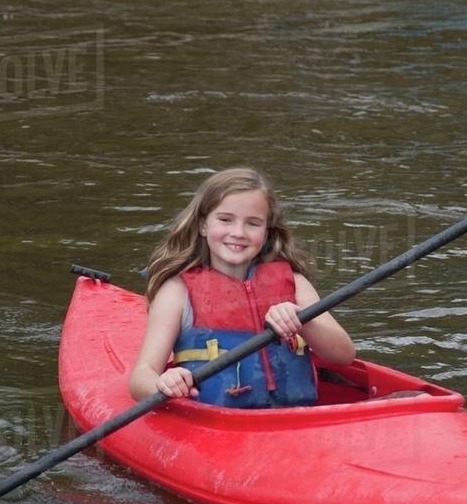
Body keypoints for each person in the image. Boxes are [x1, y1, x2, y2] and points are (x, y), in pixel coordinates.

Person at [129, 168, 355, 407]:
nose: (238, 233)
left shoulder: (295, 283)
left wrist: (304, 320)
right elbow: (141, 377)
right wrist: (163, 383)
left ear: (266, 233)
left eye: (253, 223)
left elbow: (343, 355)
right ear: (203, 226)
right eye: (225, 219)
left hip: (298, 421)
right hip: (217, 425)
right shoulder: (176, 291)